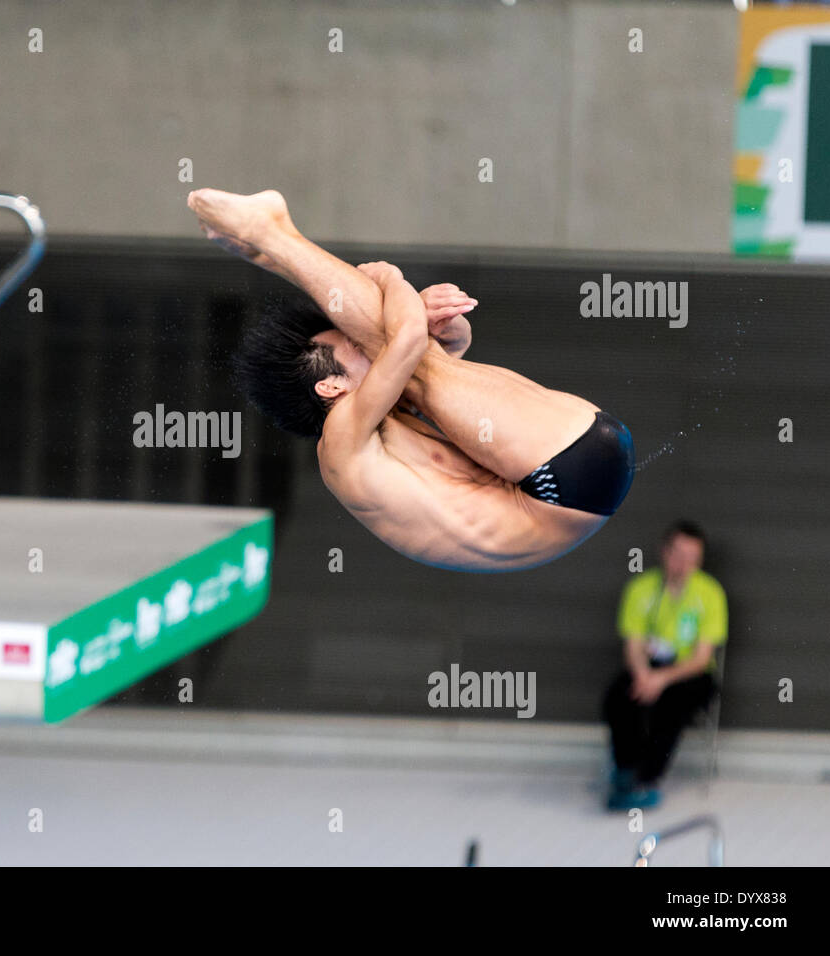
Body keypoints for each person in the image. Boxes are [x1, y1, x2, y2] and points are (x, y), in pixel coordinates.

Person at [188, 187, 634, 572]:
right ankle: (269, 234)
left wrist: (435, 318)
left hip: (575, 469)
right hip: (557, 487)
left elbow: (453, 346)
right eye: (354, 349)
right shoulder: (341, 442)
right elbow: (406, 343)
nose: (365, 345)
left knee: (421, 359)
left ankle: (267, 246)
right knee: (410, 356)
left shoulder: (384, 412)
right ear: (330, 386)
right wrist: (390, 277)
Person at [603, 521, 727, 810]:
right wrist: (644, 674)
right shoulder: (641, 589)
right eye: (678, 554)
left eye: (691, 557)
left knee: (671, 707)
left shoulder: (710, 594)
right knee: (620, 697)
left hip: (690, 672)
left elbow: (700, 658)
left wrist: (662, 679)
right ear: (664, 552)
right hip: (648, 667)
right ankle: (624, 771)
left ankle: (647, 779)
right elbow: (632, 645)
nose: (683, 563)